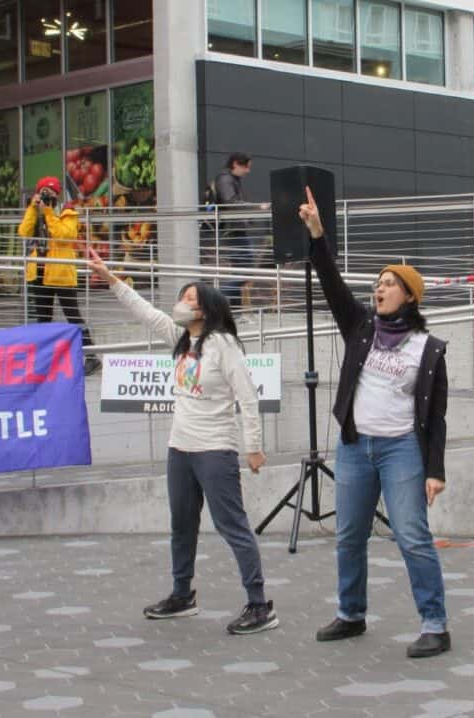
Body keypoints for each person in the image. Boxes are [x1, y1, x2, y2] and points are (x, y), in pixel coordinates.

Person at [87, 250, 278, 636]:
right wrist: (111, 279)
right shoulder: (182, 339)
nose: (182, 303)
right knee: (182, 524)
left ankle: (259, 605)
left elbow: (248, 398)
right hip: (181, 448)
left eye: (191, 299)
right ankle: (181, 594)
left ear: (206, 309)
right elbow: (146, 312)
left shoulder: (223, 345)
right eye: (183, 297)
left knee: (231, 525)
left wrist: (253, 446)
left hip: (214, 448)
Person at [297, 187, 452, 659]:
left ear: (409, 295)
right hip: (354, 445)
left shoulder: (429, 349)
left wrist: (434, 469)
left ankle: (435, 624)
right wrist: (318, 234)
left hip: (401, 449)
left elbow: (437, 416)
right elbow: (331, 284)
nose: (379, 288)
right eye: (378, 283)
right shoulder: (361, 327)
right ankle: (351, 614)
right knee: (349, 535)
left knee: (411, 535)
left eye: (389, 283)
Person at [18, 176, 100, 375]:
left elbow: (64, 235)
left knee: (73, 316)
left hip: (61, 272)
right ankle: (44, 358)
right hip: (38, 271)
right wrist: (32, 208)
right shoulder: (35, 210)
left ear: (58, 194)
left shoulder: (68, 211)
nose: (48, 195)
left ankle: (91, 356)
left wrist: (48, 212)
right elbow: (23, 232)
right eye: (43, 191)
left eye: (51, 192)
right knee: (42, 318)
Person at [213, 153, 264, 309]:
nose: (248, 170)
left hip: (236, 230)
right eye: (246, 166)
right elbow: (231, 202)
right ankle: (214, 299)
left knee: (239, 272)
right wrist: (256, 207)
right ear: (235, 164)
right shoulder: (225, 179)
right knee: (246, 272)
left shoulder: (231, 179)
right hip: (233, 231)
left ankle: (235, 312)